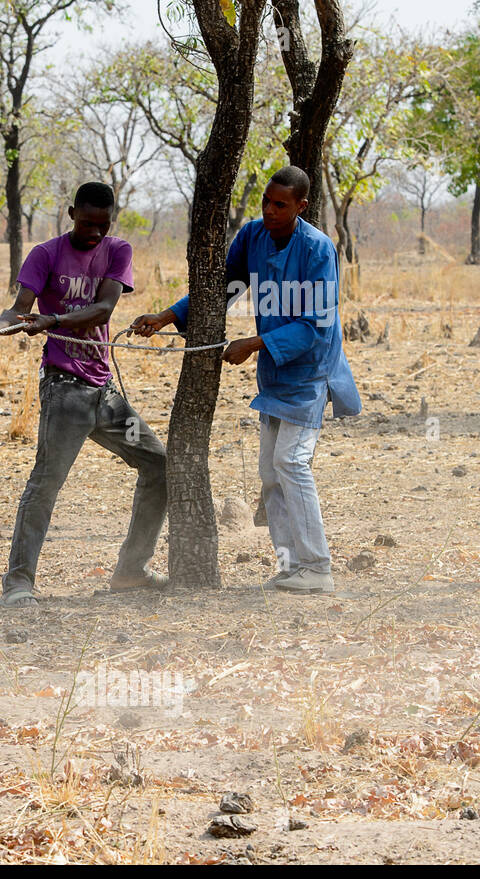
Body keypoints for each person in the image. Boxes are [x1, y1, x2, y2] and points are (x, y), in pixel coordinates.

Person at [132, 165, 361, 594]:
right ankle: (291, 567)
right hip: (274, 374)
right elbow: (221, 286)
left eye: (281, 205)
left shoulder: (318, 250)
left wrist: (252, 344)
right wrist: (166, 316)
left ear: (301, 206)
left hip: (310, 371)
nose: (270, 211)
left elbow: (316, 326)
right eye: (266, 202)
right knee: (270, 474)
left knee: (291, 463)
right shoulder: (252, 237)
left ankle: (319, 567)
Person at [0, 181, 168, 607]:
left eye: (103, 224)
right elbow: (19, 309)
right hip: (65, 392)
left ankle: (131, 571)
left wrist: (52, 320)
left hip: (105, 397)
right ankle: (19, 584)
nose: (94, 232)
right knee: (46, 484)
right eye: (86, 222)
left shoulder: (118, 251)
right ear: (71, 212)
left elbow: (104, 309)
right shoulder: (46, 254)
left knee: (160, 466)